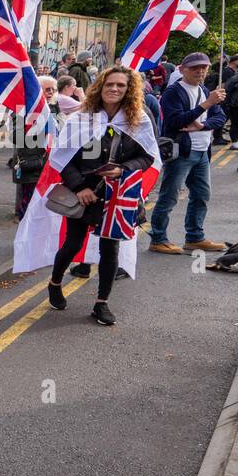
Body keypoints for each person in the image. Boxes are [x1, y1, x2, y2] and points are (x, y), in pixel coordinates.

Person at [46, 68, 156, 326]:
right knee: (73, 244)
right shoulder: (81, 118)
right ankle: (54, 283)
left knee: (110, 249)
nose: (114, 89)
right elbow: (62, 158)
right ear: (100, 87)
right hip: (84, 193)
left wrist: (124, 169)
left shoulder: (138, 119)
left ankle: (101, 304)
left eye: (120, 85)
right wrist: (79, 187)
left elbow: (148, 156)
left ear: (129, 89)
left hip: (117, 195)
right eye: (110, 84)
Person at [150, 52, 229, 255]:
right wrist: (207, 104)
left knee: (202, 195)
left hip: (202, 151)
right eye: (194, 67)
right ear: (183, 69)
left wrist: (201, 125)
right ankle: (158, 238)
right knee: (169, 197)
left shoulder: (204, 90)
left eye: (204, 67)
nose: (200, 71)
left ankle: (194, 237)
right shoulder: (173, 92)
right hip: (182, 152)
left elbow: (220, 118)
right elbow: (175, 121)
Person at [10, 77, 55, 220]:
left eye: (53, 90)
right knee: (29, 206)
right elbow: (16, 137)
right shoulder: (24, 111)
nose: (51, 92)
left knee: (43, 207)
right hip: (33, 163)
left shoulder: (51, 108)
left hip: (48, 164)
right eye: (47, 89)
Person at [225, 53, 238, 151]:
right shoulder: (236, 77)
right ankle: (234, 141)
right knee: (236, 123)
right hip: (236, 105)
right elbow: (228, 89)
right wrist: (228, 103)